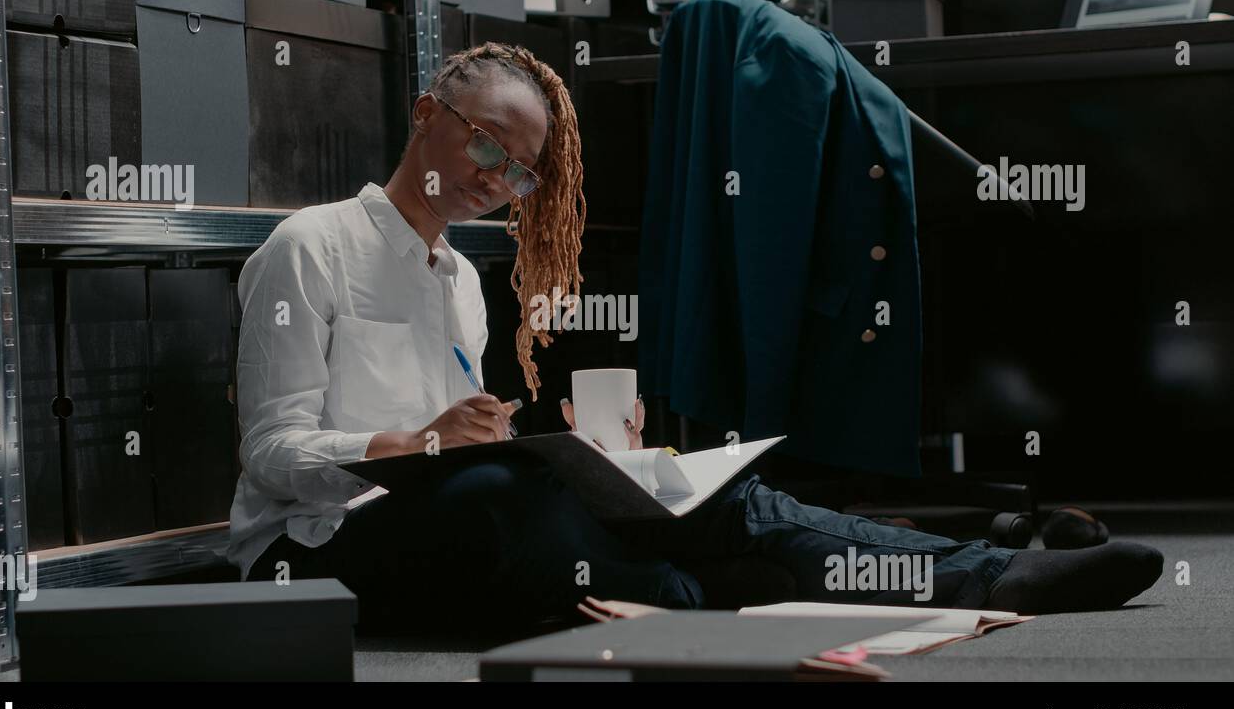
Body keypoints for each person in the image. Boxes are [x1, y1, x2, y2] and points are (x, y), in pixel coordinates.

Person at [228, 42, 1164, 633]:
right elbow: (273, 458)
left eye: (516, 175)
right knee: (511, 500)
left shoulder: (462, 281)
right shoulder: (309, 246)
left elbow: (462, 442)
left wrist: (583, 455)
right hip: (315, 551)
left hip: (460, 515)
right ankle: (702, 590)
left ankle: (1000, 572)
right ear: (427, 116)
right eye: (484, 148)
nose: (494, 178)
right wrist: (427, 442)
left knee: (703, 493)